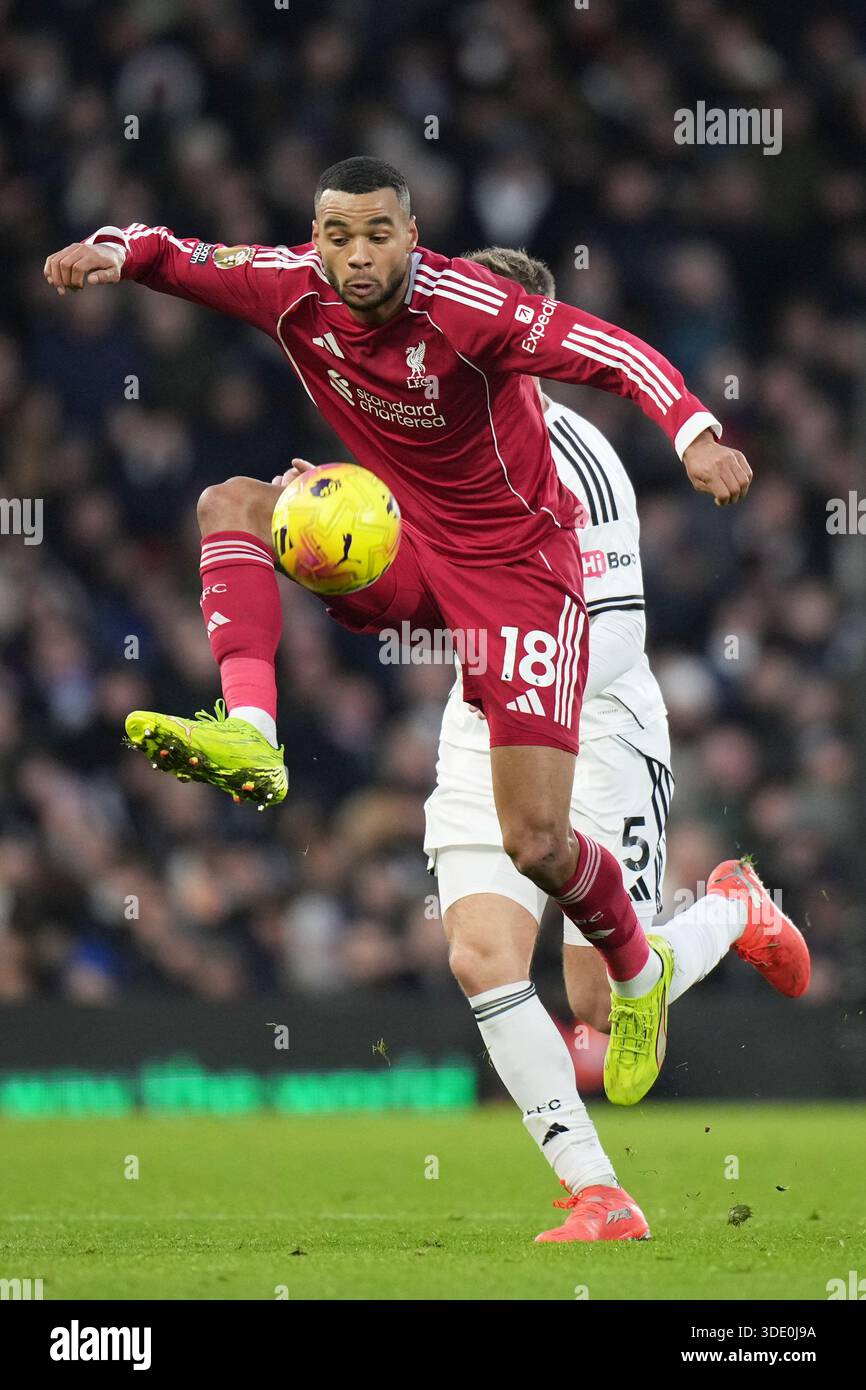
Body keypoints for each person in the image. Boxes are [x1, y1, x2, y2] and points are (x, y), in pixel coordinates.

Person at [44, 154, 753, 1118]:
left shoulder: (545, 415)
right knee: (240, 506)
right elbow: (184, 257)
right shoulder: (296, 292)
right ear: (321, 238)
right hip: (427, 564)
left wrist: (696, 434)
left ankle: (703, 928)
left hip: (557, 638)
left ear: (416, 239)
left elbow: (617, 357)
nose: (359, 256)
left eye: (380, 234)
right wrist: (113, 252)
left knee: (559, 902)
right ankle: (253, 728)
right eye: (340, 236)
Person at [421, 247, 811, 1242]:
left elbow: (607, 639)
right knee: (479, 955)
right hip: (482, 721)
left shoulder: (578, 462)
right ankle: (598, 1190)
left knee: (593, 996)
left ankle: (729, 906)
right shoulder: (415, 437)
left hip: (590, 724)